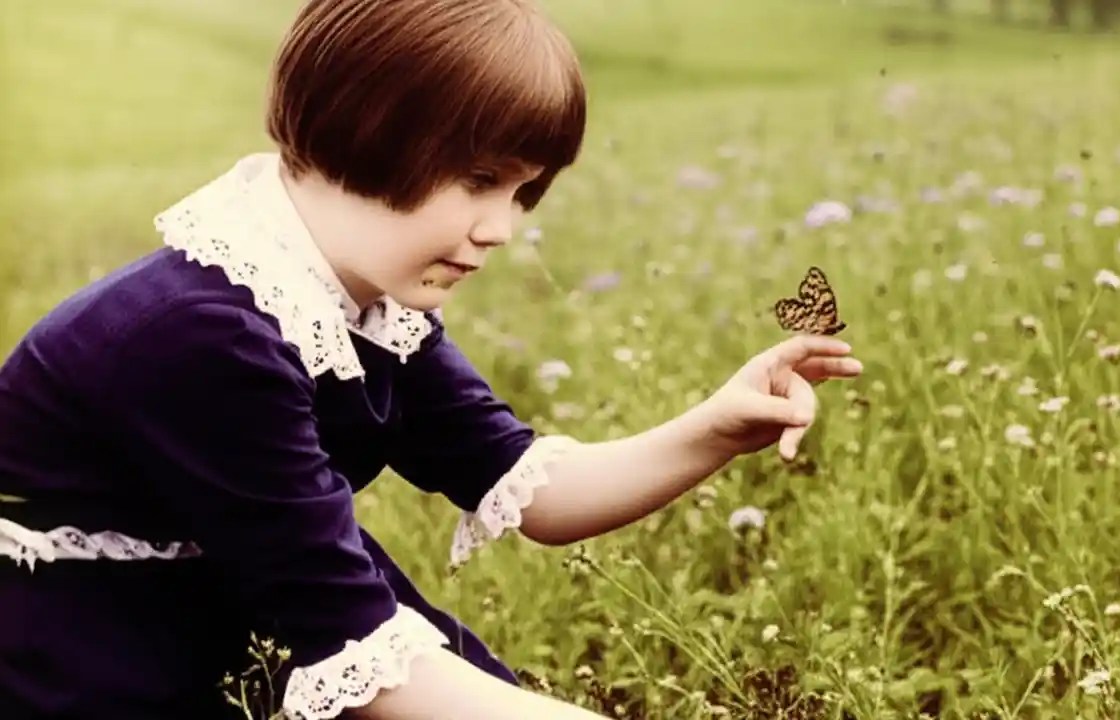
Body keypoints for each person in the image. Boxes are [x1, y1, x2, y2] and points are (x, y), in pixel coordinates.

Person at [0, 0, 863, 718]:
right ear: (365, 130)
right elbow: (362, 660)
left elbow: (531, 492)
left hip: (243, 615)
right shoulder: (202, 334)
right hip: (93, 655)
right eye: (480, 181)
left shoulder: (360, 306)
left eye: (524, 191)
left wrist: (717, 427)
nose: (504, 228)